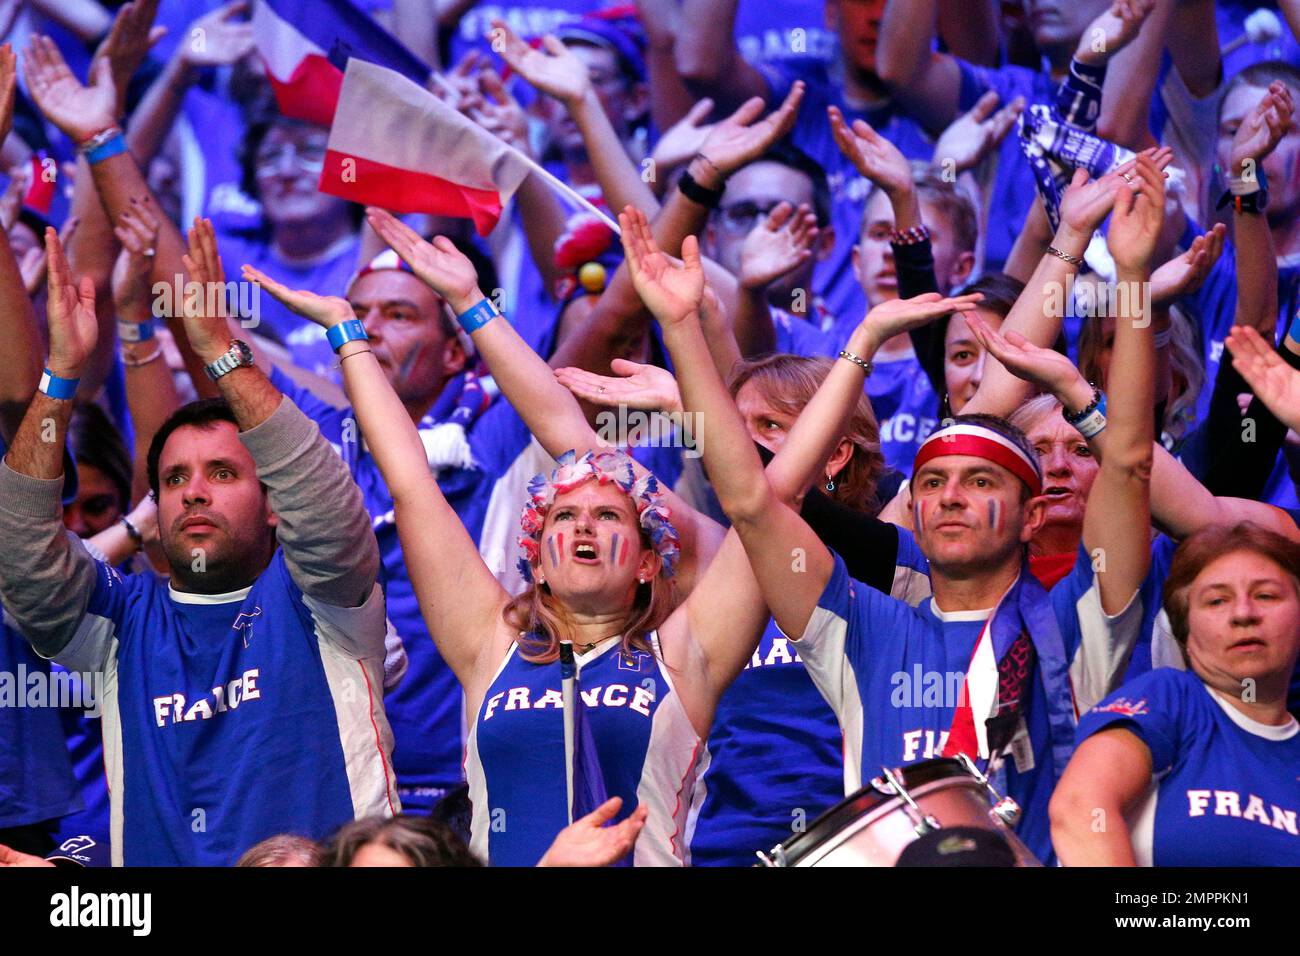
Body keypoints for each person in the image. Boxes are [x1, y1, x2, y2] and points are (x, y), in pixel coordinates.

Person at [666, 154, 1169, 863]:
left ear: (1033, 515)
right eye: (931, 485)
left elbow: (1128, 462)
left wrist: (1132, 276)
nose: (951, 497)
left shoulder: (1080, 619)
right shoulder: (865, 629)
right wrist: (683, 327)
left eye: (981, 482)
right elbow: (755, 501)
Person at [243, 205, 779, 867]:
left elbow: (757, 505)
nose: (584, 522)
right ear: (537, 559)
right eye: (564, 516)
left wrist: (681, 332)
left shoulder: (686, 652)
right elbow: (411, 483)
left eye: (609, 516)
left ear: (648, 562)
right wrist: (351, 338)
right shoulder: (490, 645)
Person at [0, 227, 397, 866]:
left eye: (223, 473)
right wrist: (62, 375)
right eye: (175, 479)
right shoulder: (116, 622)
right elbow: (20, 550)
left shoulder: (325, 597)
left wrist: (219, 351)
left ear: (273, 502)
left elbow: (320, 496)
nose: (192, 493)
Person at [1051, 523, 1300, 866]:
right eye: (1217, 601)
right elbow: (1080, 808)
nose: (1244, 614)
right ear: (1186, 632)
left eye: (1266, 595)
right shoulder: (1170, 699)